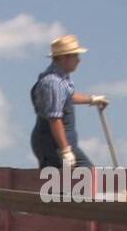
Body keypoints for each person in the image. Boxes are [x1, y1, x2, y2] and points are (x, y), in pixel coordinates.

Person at [30, 35, 109, 169]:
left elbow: (68, 97)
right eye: (75, 56)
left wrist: (91, 99)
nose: (78, 61)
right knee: (85, 175)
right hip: (54, 145)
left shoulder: (60, 80)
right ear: (64, 58)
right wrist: (65, 150)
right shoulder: (53, 83)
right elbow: (54, 118)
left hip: (57, 143)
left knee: (69, 184)